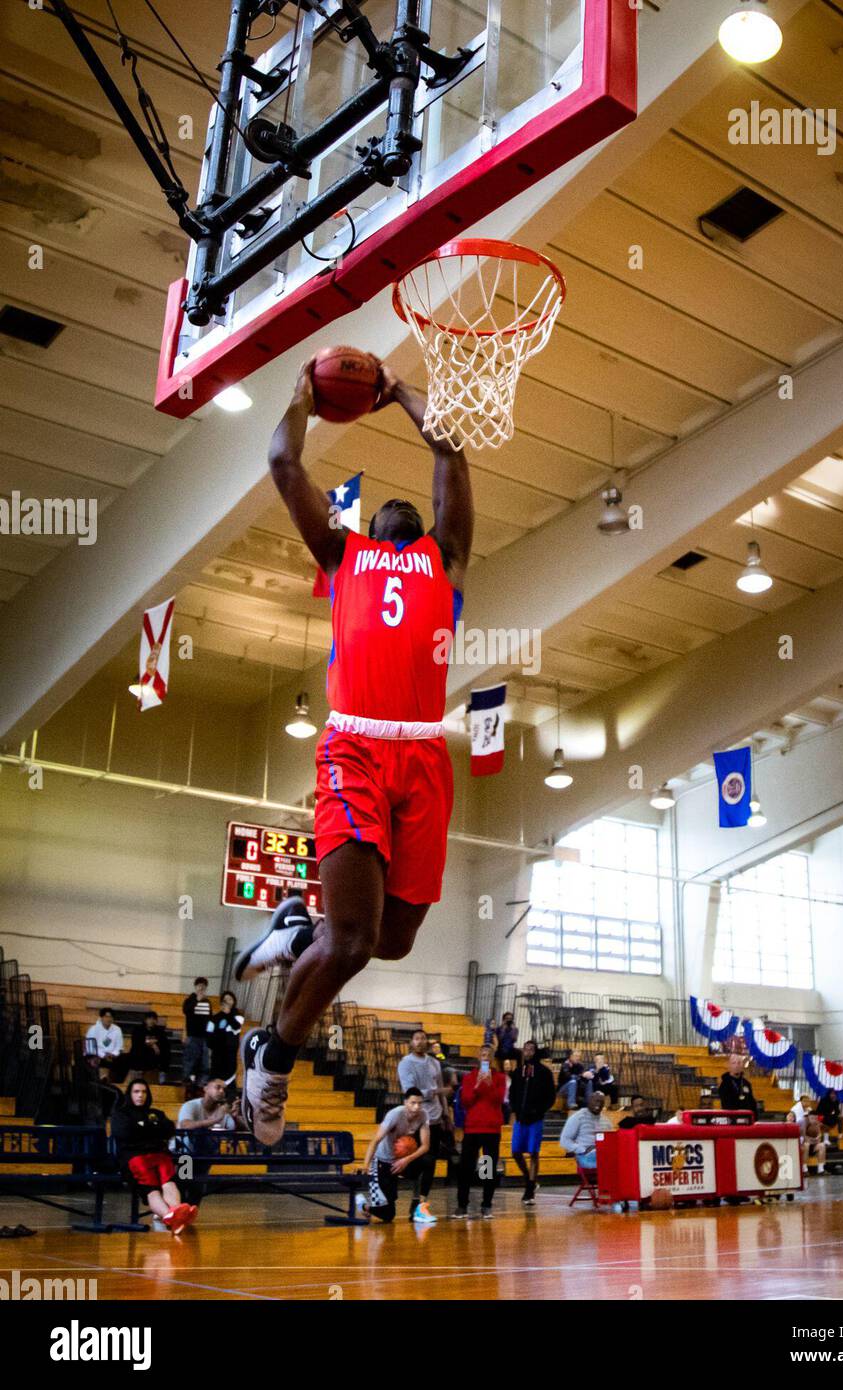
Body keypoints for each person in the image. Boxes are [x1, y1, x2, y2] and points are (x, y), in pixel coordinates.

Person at [235, 356, 474, 1145]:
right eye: (386, 511)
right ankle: (271, 1063)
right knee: (356, 942)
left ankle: (298, 928)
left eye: (411, 511)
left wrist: (399, 390)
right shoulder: (342, 560)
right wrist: (303, 400)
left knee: (394, 941)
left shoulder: (446, 556)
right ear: (368, 530)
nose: (402, 510)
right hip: (354, 749)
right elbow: (281, 461)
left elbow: (450, 456)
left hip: (424, 756)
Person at [111, 1080, 196, 1234]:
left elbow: (169, 1129)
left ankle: (177, 1213)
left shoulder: (156, 1113)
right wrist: (153, 1129)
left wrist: (143, 1129)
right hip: (134, 1157)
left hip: (159, 1155)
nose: (140, 1095)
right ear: (129, 1094)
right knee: (151, 1189)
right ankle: (169, 1216)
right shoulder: (121, 1114)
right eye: (136, 1092)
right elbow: (125, 1133)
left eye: (143, 1092)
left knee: (169, 1182)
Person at [396, 1029, 452, 1224]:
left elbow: (442, 1092)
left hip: (435, 1118)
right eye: (417, 1038)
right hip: (416, 1118)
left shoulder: (435, 1062)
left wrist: (446, 1113)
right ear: (411, 1042)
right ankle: (411, 1198)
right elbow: (410, 1091)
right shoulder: (406, 1063)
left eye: (423, 1038)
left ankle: (421, 1203)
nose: (420, 1042)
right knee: (417, 1163)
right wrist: (436, 1091)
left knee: (430, 1162)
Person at [358, 1088, 430, 1224]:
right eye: (413, 1103)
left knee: (428, 1162)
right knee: (388, 1215)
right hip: (383, 1160)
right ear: (405, 1103)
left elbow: (425, 1146)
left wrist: (406, 1160)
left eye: (420, 1103)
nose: (417, 1107)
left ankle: (418, 1202)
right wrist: (365, 1165)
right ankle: (363, 1205)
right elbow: (375, 1140)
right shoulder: (394, 1115)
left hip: (402, 1159)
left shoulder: (423, 1115)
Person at [455, 1046, 507, 1219]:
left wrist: (490, 1083)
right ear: (478, 1057)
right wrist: (477, 1085)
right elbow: (465, 1101)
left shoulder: (500, 1078)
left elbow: (499, 1099)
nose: (485, 1058)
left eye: (488, 1055)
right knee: (466, 1167)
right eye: (483, 1055)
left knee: (488, 1169)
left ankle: (486, 1205)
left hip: (491, 1129)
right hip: (472, 1128)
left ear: (492, 1058)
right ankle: (462, 1205)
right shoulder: (469, 1077)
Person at [175, 1078, 238, 1207]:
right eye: (217, 1087)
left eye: (224, 1089)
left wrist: (236, 1116)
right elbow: (186, 1125)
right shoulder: (191, 1105)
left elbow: (233, 1129)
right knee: (184, 1183)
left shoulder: (222, 1110)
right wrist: (215, 1120)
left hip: (205, 1156)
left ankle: (189, 1213)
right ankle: (177, 1210)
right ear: (206, 1088)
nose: (221, 1091)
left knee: (197, 1188)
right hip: (185, 1153)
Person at [509, 1040, 556, 1206]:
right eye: (525, 1049)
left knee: (533, 1153)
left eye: (531, 1049)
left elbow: (551, 1096)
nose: (528, 1052)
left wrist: (540, 1110)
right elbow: (512, 1092)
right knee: (515, 1151)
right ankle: (528, 1179)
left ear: (535, 1052)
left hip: (535, 1119)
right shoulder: (517, 1072)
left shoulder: (544, 1072)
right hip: (520, 1119)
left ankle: (529, 1189)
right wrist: (514, 1109)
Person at [559, 1091, 613, 1173]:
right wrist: (583, 1150)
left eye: (601, 1102)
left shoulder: (606, 1121)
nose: (598, 1104)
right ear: (590, 1101)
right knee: (609, 1163)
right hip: (585, 1156)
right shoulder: (578, 1117)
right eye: (596, 1101)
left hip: (603, 1155)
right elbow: (564, 1140)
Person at [206, 992, 244, 1096]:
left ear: (234, 1002)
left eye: (230, 1000)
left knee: (230, 1082)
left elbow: (236, 1026)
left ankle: (231, 1102)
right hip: (217, 1055)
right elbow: (209, 1037)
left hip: (230, 1055)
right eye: (225, 1000)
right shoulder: (214, 1018)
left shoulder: (238, 1016)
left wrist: (228, 1014)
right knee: (214, 1081)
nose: (228, 1002)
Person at [181, 978, 212, 1088]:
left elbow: (210, 1020)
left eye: (203, 986)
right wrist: (197, 1000)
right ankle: (187, 1085)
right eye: (199, 985)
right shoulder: (189, 1000)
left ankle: (200, 1085)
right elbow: (186, 1011)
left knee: (205, 1064)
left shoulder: (208, 1002)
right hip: (192, 1036)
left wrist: (210, 1035)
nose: (201, 988)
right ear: (195, 987)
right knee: (190, 1062)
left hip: (205, 1038)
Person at [128, 1011, 171, 1082]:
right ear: (145, 1020)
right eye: (149, 1018)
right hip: (139, 1060)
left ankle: (162, 1073)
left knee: (165, 1053)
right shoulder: (138, 1030)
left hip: (152, 1061)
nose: (151, 1021)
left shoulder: (160, 1032)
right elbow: (136, 1043)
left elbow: (165, 1046)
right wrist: (152, 1045)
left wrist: (155, 1047)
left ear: (156, 1021)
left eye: (154, 1019)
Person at [717, 1052, 758, 1118]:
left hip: (746, 1120)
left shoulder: (746, 1083)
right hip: (731, 1119)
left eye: (739, 1063)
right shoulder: (724, 1083)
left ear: (742, 1065)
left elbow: (752, 1103)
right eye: (734, 1063)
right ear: (729, 1065)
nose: (736, 1066)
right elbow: (726, 1104)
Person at [86, 1008, 123, 1076]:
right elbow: (90, 1047)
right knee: (94, 1060)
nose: (108, 1019)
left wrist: (113, 1054)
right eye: (106, 1016)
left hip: (112, 1056)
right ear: (101, 1018)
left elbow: (119, 1047)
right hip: (97, 1055)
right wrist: (103, 1055)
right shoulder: (93, 1029)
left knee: (123, 1060)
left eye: (111, 1017)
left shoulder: (117, 1029)